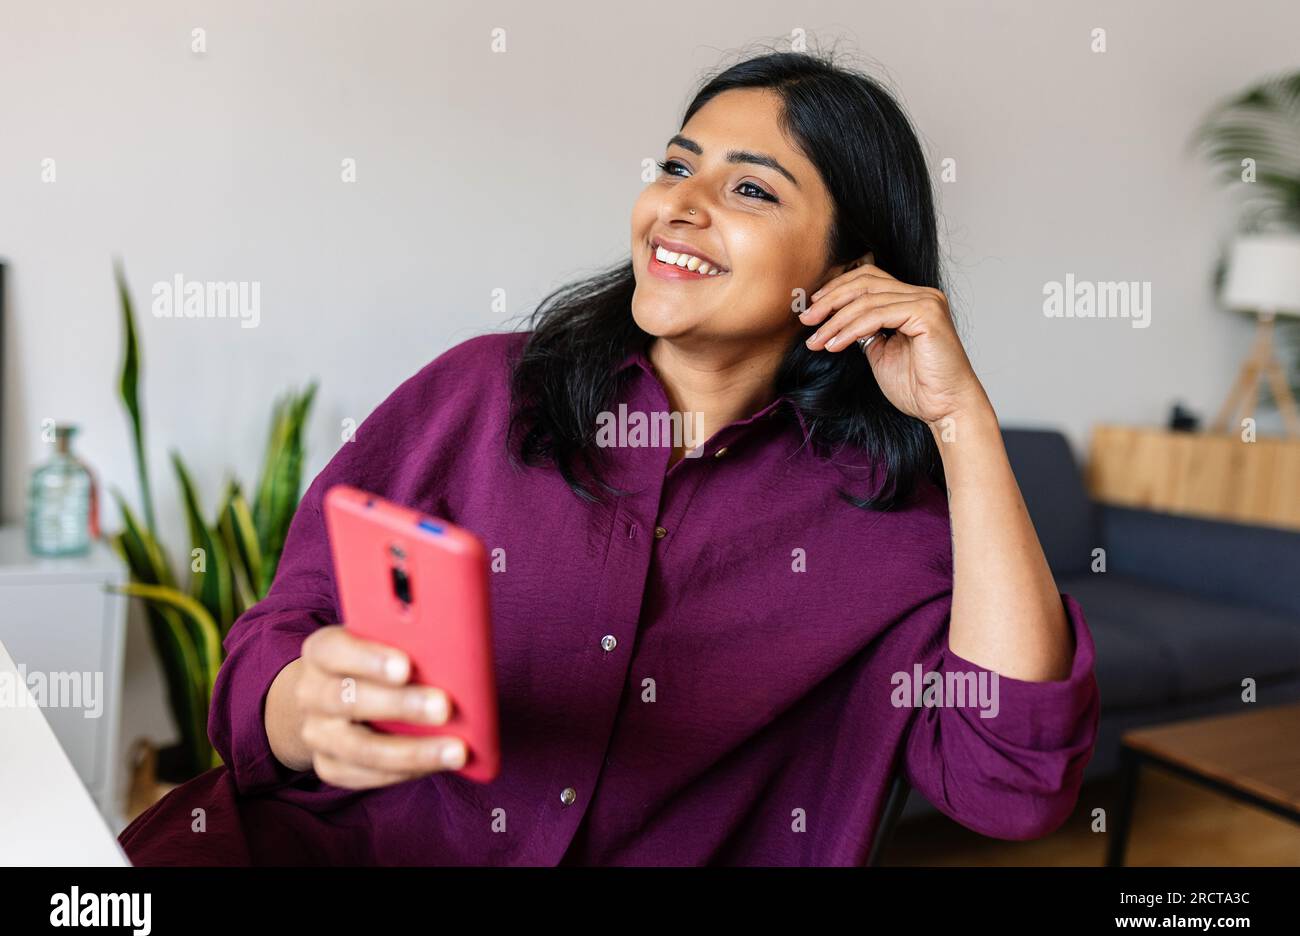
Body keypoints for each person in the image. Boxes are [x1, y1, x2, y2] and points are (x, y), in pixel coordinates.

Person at [119, 49, 1098, 866]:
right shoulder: (481, 392)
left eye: (749, 186)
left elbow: (1008, 782)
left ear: (849, 271)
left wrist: (959, 419)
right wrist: (299, 707)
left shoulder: (893, 522)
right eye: (677, 167)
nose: (679, 204)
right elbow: (281, 630)